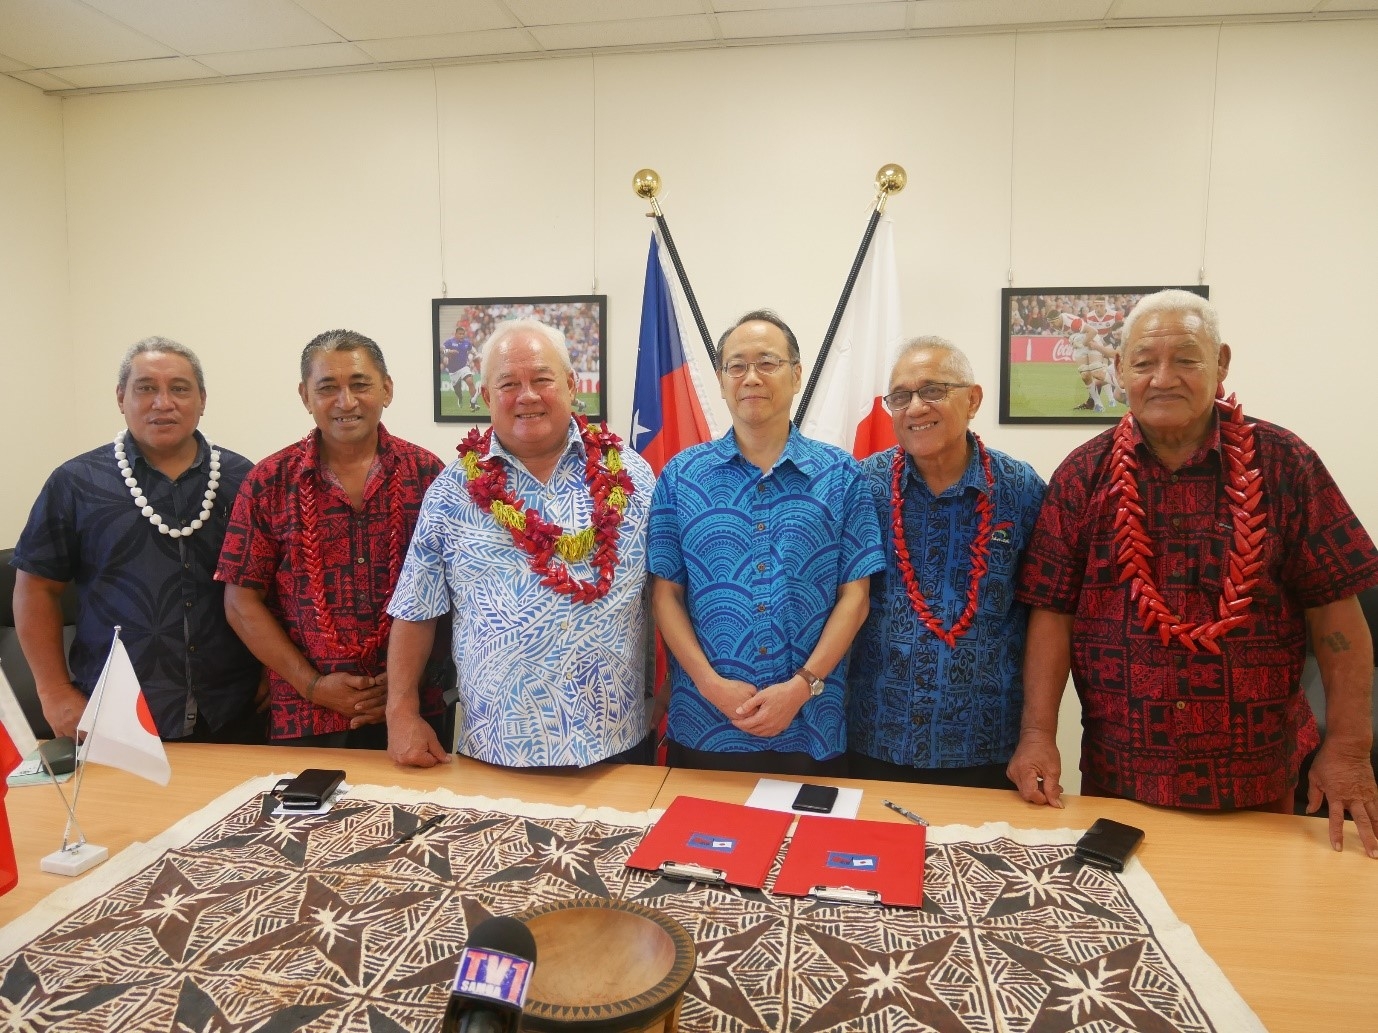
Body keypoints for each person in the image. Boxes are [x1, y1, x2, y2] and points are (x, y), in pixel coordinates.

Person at [1010, 289, 1378, 857]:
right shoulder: (1083, 474)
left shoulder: (1287, 464)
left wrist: (1349, 748)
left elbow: (1337, 614)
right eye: (1144, 362)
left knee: (1251, 908)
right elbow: (1052, 613)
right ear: (1118, 369)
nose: (1163, 378)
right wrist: (1038, 735)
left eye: (1186, 359)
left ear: (1221, 363)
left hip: (1259, 775)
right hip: (1121, 771)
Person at [384, 319, 656, 769]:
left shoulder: (631, 475)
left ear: (571, 385)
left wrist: (671, 693)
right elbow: (416, 609)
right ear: (486, 396)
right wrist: (401, 713)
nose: (527, 396)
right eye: (508, 383)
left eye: (542, 379)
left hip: (617, 741)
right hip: (497, 745)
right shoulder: (451, 492)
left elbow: (666, 592)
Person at [648, 310, 883, 776]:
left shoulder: (841, 475)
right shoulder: (681, 476)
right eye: (736, 366)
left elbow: (855, 598)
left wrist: (801, 687)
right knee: (696, 827)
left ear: (796, 375)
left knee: (811, 827)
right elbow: (665, 595)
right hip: (705, 722)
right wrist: (709, 685)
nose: (751, 377)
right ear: (721, 381)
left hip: (811, 723)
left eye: (767, 363)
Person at [11, 337, 262, 742]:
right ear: (120, 398)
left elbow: (270, 587)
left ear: (202, 399)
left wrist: (275, 673)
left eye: (179, 388)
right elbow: (36, 588)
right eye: (146, 388)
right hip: (114, 715)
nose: (163, 403)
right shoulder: (76, 483)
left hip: (234, 709)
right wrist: (53, 691)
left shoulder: (243, 478)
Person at [216, 330, 448, 748]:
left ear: (387, 389)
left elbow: (455, 592)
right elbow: (240, 602)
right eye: (327, 388)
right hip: (304, 715)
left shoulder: (429, 475)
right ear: (305, 396)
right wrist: (312, 685)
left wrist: (404, 687)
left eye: (360, 384)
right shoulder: (269, 481)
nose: (346, 401)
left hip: (412, 712)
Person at [848, 337, 1045, 787]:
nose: (916, 407)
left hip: (987, 744)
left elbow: (1047, 615)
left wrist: (1038, 734)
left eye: (933, 390)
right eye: (901, 397)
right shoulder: (862, 486)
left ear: (973, 399)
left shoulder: (1022, 490)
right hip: (874, 737)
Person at [442, 321, 480, 412]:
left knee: (470, 381)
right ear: (456, 334)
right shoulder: (450, 342)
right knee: (457, 390)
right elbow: (441, 349)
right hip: (453, 370)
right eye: (460, 334)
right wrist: (449, 351)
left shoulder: (466, 342)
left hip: (464, 367)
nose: (462, 336)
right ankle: (460, 398)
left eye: (463, 334)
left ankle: (473, 403)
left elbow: (471, 349)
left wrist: (476, 354)